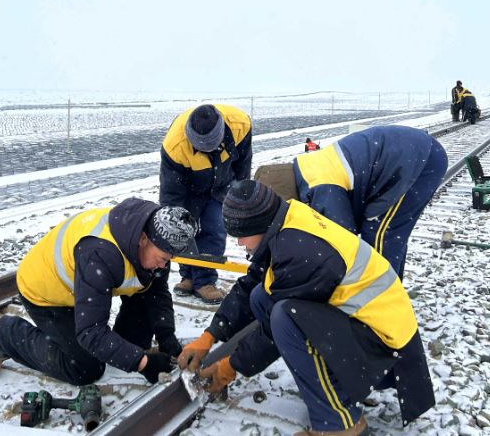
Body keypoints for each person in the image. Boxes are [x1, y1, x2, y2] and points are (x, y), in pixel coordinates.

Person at [178, 181, 435, 436]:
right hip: (365, 328)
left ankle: (342, 425)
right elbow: (250, 285)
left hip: (387, 351)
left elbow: (270, 334)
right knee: (260, 296)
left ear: (258, 225)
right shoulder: (285, 220)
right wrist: (210, 335)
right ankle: (333, 387)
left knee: (283, 319)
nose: (240, 243)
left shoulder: (298, 254)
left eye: (241, 236)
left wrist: (229, 367)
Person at [0, 198, 197, 386]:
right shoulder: (100, 254)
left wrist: (166, 335)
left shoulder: (157, 236)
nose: (163, 266)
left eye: (167, 261)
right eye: (161, 259)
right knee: (85, 368)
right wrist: (143, 364)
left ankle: (125, 347)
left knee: (132, 346)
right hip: (46, 291)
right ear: (142, 239)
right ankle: (4, 334)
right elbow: (90, 331)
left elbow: (155, 290)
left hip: (83, 284)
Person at [256, 126, 447, 281]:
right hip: (409, 152)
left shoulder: (321, 189)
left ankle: (381, 309)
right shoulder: (306, 170)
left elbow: (343, 242)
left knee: (381, 235)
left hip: (420, 161)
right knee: (387, 234)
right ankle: (390, 290)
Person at [160, 104, 252, 304]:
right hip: (189, 187)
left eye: (212, 146)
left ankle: (205, 281)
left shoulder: (240, 125)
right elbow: (170, 191)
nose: (208, 150)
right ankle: (188, 276)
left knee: (215, 228)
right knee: (184, 227)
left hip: (222, 184)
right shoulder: (174, 146)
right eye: (201, 148)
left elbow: (243, 163)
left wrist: (241, 194)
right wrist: (173, 218)